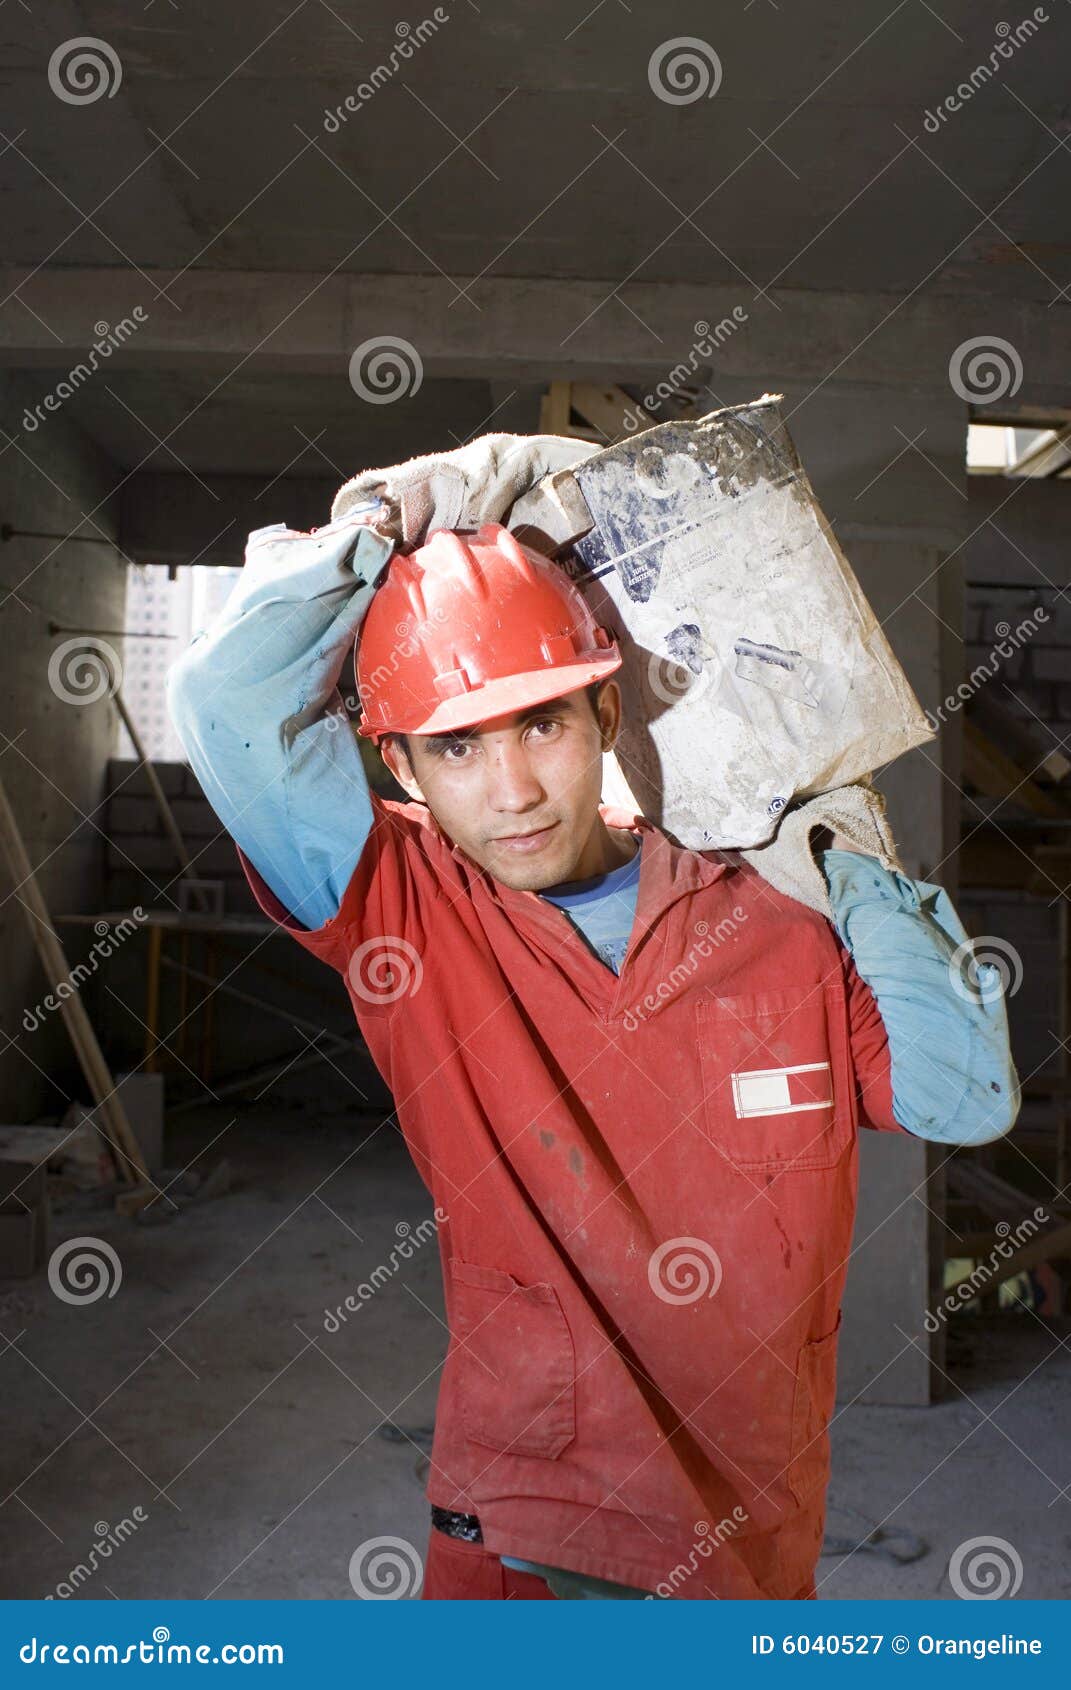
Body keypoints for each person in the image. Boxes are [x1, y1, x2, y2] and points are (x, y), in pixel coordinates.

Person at [168, 505, 1019, 1601]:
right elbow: (227, 698)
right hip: (532, 1527)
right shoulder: (401, 903)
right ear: (401, 765)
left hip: (755, 1526)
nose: (513, 791)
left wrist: (843, 847)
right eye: (457, 747)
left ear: (606, 712)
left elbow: (961, 1095)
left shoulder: (775, 915)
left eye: (541, 725)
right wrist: (379, 532)